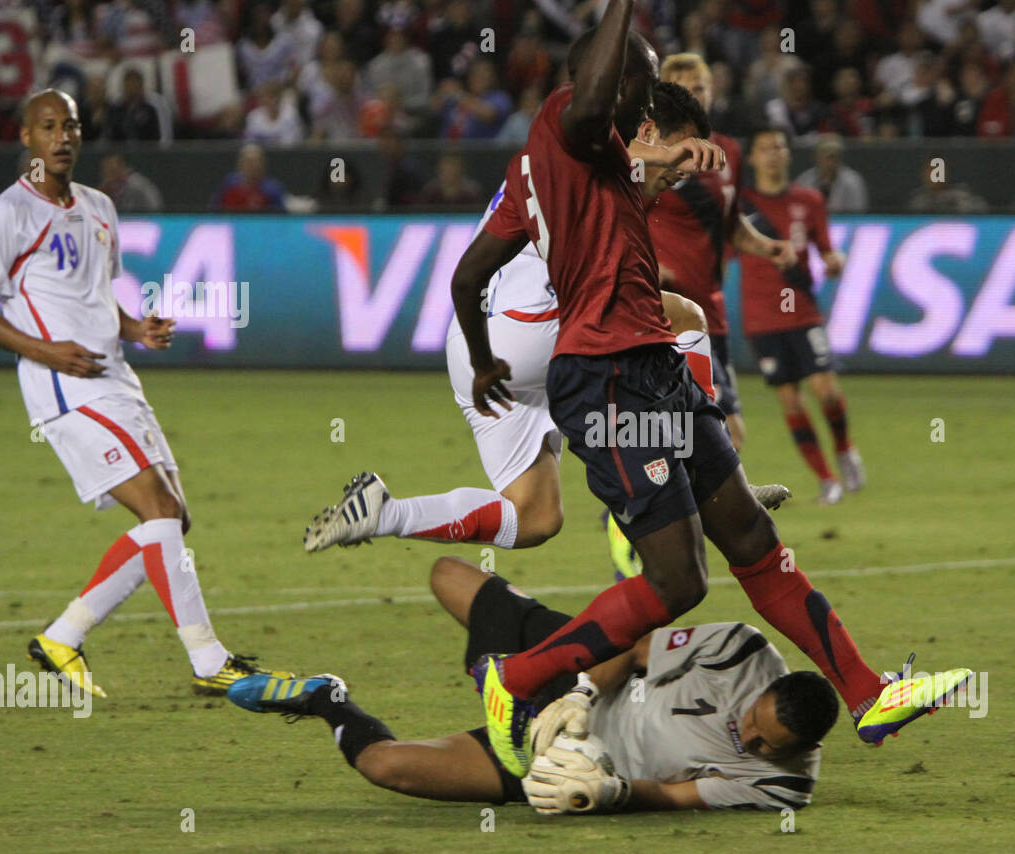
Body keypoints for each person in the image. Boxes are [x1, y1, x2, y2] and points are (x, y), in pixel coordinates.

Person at [449, 3, 967, 778]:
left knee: (752, 537)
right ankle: (514, 680)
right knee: (677, 579)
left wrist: (486, 356)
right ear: (610, 77)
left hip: (651, 370)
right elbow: (590, 106)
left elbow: (469, 273)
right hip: (606, 383)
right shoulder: (567, 119)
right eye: (644, 80)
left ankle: (868, 696)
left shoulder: (567, 164)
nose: (650, 95)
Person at [303, 83, 784, 556]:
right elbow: (620, 155)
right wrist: (667, 155)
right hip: (527, 326)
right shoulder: (593, 150)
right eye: (683, 149)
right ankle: (719, 480)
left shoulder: (572, 157)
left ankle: (385, 512)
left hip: (479, 351)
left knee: (534, 516)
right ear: (649, 128)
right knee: (683, 317)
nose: (682, 172)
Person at [0, 90, 291, 698]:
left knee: (173, 519)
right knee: (160, 512)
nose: (62, 137)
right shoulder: (7, 215)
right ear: (26, 138)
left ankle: (61, 638)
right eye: (48, 127)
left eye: (70, 125)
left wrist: (136, 328)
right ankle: (209, 660)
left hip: (117, 377)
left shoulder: (99, 206)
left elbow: (97, 297)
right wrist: (46, 352)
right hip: (64, 386)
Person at [225, 556, 890, 813]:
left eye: (761, 743)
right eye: (752, 721)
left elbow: (678, 795)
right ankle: (512, 680)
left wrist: (607, 791)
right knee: (450, 577)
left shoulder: (784, 784)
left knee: (385, 765)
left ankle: (324, 697)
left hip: (557, 764)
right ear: (764, 690)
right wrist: (580, 696)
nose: (746, 737)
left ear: (795, 750)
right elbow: (630, 646)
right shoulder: (740, 652)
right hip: (579, 687)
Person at [655, 52, 797, 454]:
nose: (694, 96)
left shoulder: (728, 152)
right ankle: (652, 507)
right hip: (662, 307)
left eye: (700, 88)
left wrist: (766, 246)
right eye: (684, 89)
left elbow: (731, 223)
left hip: (710, 309)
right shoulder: (648, 154)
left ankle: (655, 508)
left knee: (721, 430)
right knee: (685, 425)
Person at [740, 127, 865, 506]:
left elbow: (826, 250)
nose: (774, 154)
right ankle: (826, 480)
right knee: (791, 401)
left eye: (779, 146)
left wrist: (834, 261)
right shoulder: (741, 205)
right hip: (761, 317)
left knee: (826, 390)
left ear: (788, 154)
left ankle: (844, 449)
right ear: (752, 158)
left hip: (802, 312)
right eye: (765, 148)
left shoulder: (808, 200)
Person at [795, 133, 869, 213]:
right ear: (817, 157)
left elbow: (859, 214)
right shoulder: (804, 181)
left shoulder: (853, 181)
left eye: (834, 157)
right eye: (827, 157)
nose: (830, 162)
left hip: (844, 223)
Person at [211, 143, 287, 211]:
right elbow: (214, 209)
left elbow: (279, 218)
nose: (252, 166)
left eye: (256, 161)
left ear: (263, 164)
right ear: (240, 164)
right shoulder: (229, 184)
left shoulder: (272, 189)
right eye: (248, 161)